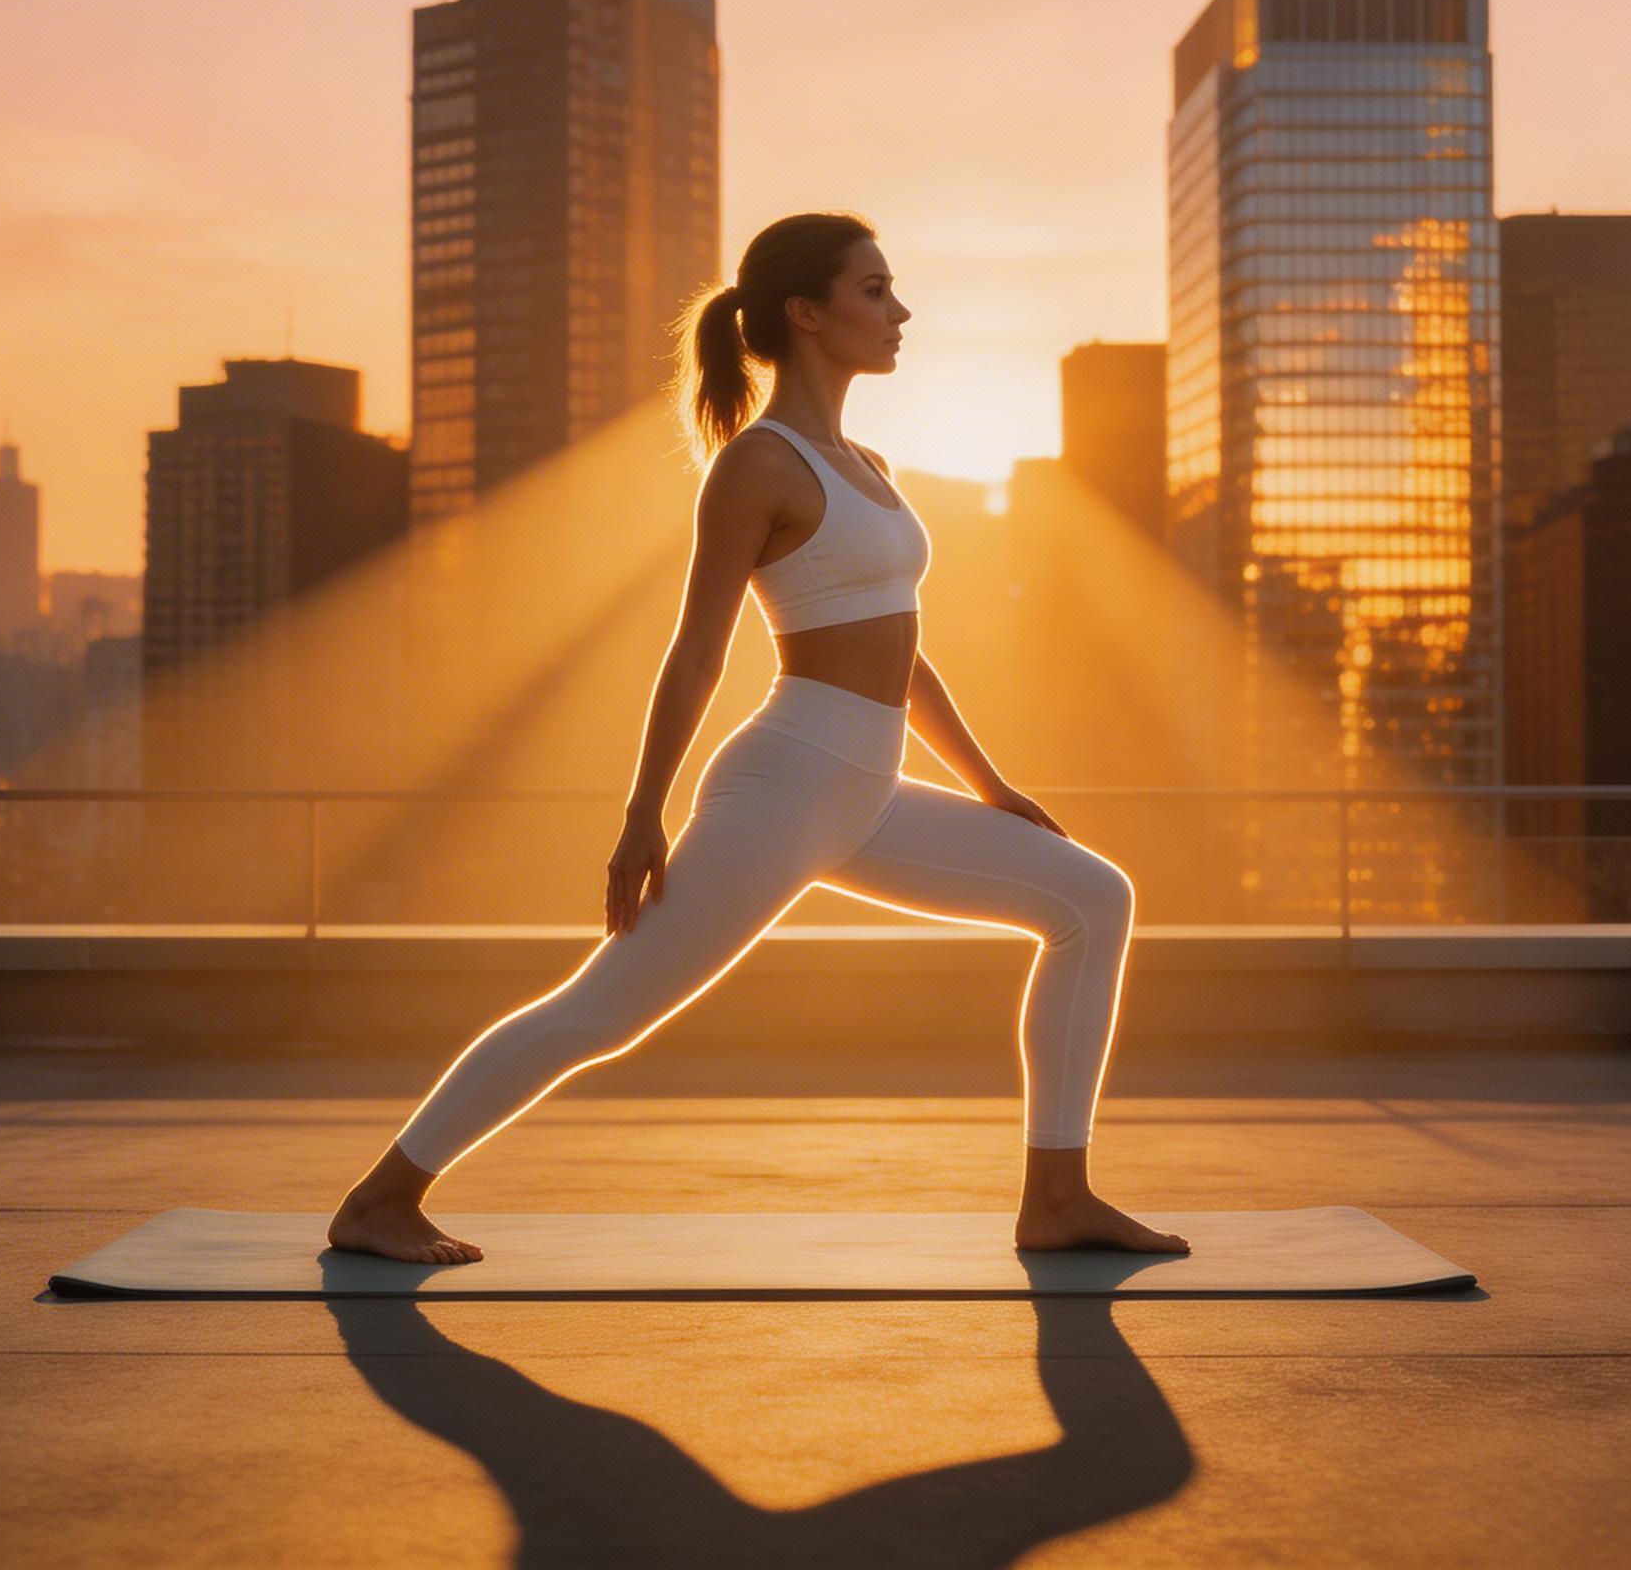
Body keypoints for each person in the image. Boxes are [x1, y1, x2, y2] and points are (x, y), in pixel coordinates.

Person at [328, 211, 1187, 1265]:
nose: (901, 311)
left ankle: (1058, 1198)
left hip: (866, 788)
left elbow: (901, 655)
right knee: (606, 1010)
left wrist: (987, 781)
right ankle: (382, 1198)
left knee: (1093, 897)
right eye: (876, 290)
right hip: (788, 782)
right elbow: (695, 652)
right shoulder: (757, 467)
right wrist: (642, 812)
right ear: (806, 313)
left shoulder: (866, 461)